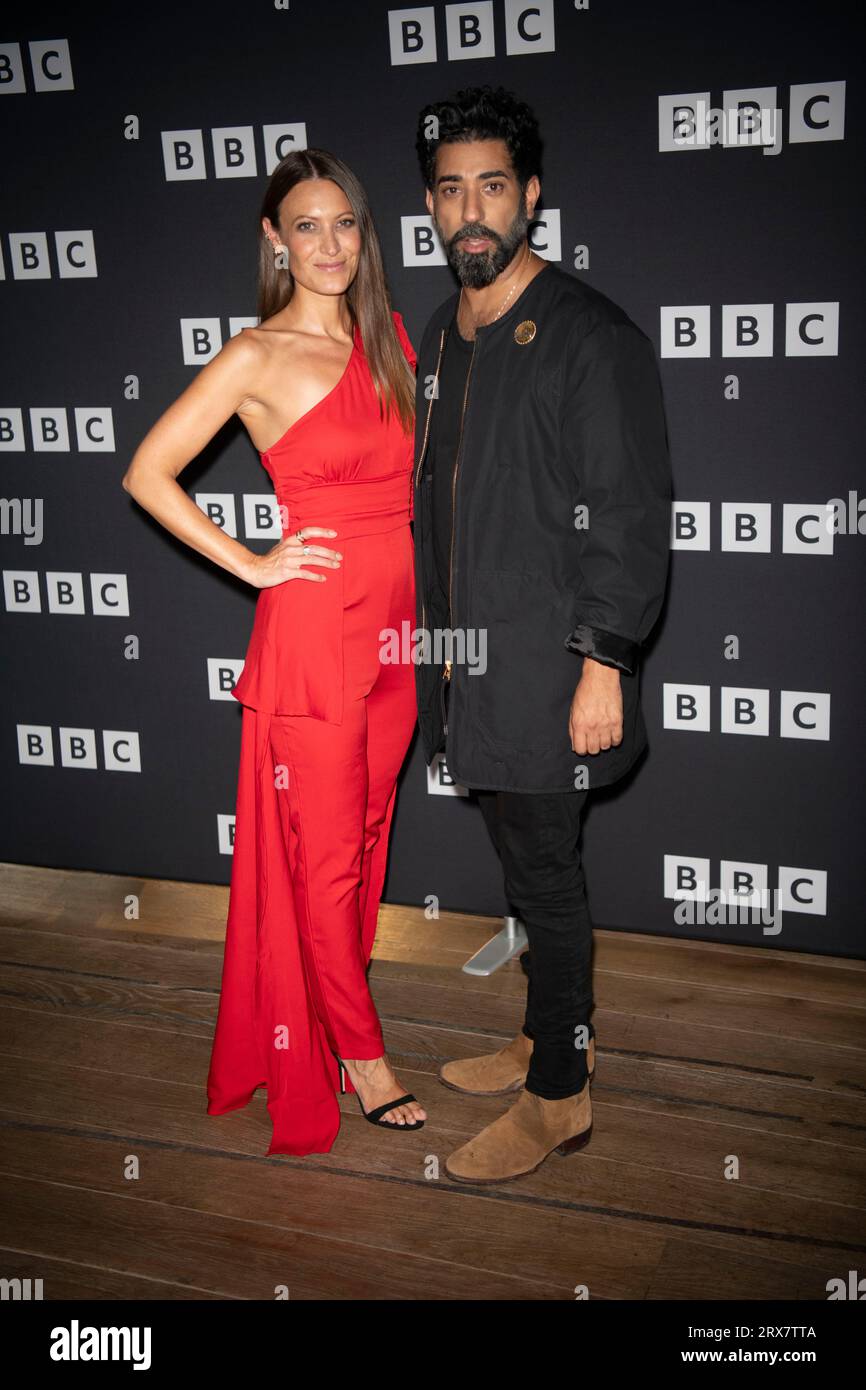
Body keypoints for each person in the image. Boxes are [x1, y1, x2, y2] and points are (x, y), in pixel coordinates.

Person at [121, 148, 427, 1157]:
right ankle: (363, 1057)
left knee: (366, 844)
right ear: (274, 238)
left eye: (344, 223)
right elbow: (148, 473)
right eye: (307, 225)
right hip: (313, 637)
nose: (330, 244)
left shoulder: (388, 338)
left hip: (398, 633)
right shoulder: (254, 354)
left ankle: (336, 1025)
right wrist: (251, 564)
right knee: (327, 862)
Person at [411, 87, 672, 1182]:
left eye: (492, 187)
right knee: (523, 866)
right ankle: (540, 1034)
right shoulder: (443, 329)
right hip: (470, 662)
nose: (470, 211)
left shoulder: (586, 332)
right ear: (429, 204)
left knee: (548, 881)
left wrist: (603, 659)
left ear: (530, 194)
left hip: (550, 664)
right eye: (449, 189)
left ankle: (559, 1093)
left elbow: (624, 511)